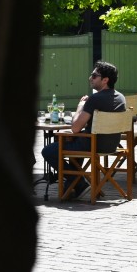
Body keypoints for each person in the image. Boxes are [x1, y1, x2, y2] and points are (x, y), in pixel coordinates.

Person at [41, 61, 127, 200]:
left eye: (94, 76)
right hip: (112, 144)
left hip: (92, 144)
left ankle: (79, 182)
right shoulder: (121, 98)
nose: (90, 78)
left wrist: (81, 105)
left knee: (49, 151)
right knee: (73, 142)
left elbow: (75, 128)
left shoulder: (94, 99)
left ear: (105, 80)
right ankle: (73, 187)